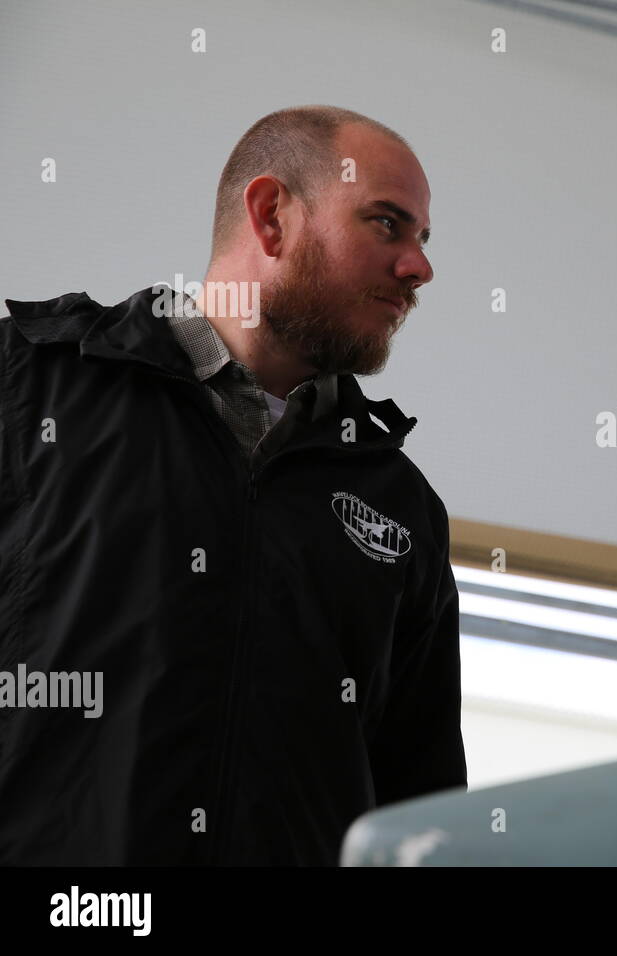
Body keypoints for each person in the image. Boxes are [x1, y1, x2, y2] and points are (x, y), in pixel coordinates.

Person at [0, 105, 466, 863]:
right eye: (387, 225)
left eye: (421, 238)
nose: (419, 267)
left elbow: (419, 808)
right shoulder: (29, 391)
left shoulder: (400, 508)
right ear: (271, 215)